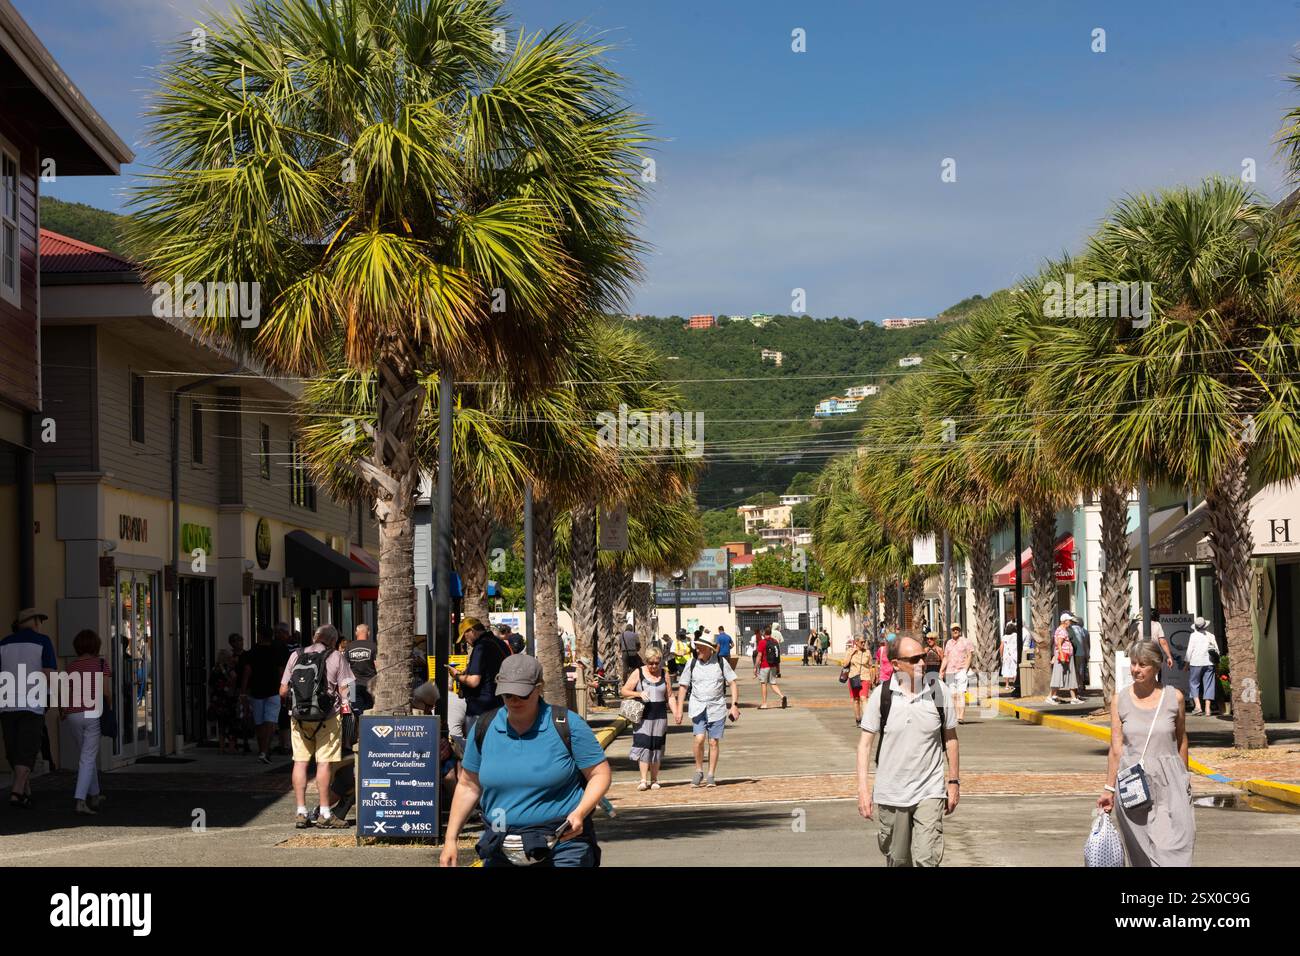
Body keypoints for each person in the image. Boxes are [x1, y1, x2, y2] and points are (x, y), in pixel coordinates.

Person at [440, 655, 611, 867]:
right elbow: (468, 785)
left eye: (522, 694)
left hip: (562, 843)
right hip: (501, 843)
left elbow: (599, 774)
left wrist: (580, 812)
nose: (514, 700)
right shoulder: (485, 726)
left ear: (539, 688)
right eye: (508, 694)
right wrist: (451, 839)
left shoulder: (567, 724)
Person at [856, 636, 960, 867]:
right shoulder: (882, 696)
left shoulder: (939, 691)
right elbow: (864, 745)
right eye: (914, 659)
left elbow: (951, 739)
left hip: (930, 790)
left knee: (926, 858)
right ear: (896, 664)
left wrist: (953, 782)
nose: (922, 663)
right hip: (891, 793)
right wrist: (863, 790)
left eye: (923, 657)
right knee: (899, 860)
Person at [1099, 640, 1194, 866]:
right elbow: (1116, 747)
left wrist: (1184, 776)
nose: (1136, 669)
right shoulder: (1120, 700)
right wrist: (1109, 789)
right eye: (1133, 663)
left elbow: (1181, 739)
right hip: (1133, 784)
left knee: (1175, 846)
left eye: (1142, 665)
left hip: (1170, 781)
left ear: (1156, 667)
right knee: (1141, 853)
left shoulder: (1174, 698)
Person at [280, 624, 354, 829]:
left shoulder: (296, 655)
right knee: (323, 764)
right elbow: (347, 690)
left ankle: (301, 812)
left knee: (300, 762)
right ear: (333, 640)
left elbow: (283, 690)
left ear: (315, 637)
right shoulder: (336, 657)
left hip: (299, 719)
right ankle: (325, 813)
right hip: (327, 718)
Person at [1, 609, 57, 809]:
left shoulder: (3, 643)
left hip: (7, 704)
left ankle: (25, 790)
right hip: (32, 703)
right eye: (40, 620)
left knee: (13, 749)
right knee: (27, 748)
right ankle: (17, 792)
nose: (40, 624)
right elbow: (49, 673)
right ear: (34, 621)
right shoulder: (43, 641)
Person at [675, 634, 739, 787]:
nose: (697, 650)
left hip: (717, 707)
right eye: (697, 647)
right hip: (698, 707)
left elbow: (732, 683)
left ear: (709, 649)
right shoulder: (691, 663)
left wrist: (734, 705)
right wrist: (679, 709)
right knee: (699, 739)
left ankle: (711, 774)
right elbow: (683, 686)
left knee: (713, 742)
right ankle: (698, 771)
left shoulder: (720, 662)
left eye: (701, 648)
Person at [62, 629, 111, 816]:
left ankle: (95, 794)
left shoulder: (71, 667)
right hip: (92, 713)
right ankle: (80, 801)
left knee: (85, 756)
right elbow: (106, 692)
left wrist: (63, 711)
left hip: (73, 714)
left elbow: (65, 692)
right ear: (96, 645)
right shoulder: (101, 664)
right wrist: (109, 708)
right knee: (88, 758)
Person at [621, 647, 677, 790]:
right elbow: (624, 690)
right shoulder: (638, 672)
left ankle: (654, 779)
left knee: (656, 747)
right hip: (643, 716)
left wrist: (676, 712)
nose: (653, 666)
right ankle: (643, 780)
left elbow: (670, 696)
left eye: (656, 663)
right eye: (650, 663)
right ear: (646, 661)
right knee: (644, 745)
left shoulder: (664, 674)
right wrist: (638, 694)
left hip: (659, 716)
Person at [449, 617, 506, 726]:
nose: (466, 642)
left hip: (480, 709)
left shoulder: (480, 647)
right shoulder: (500, 643)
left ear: (471, 631)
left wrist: (455, 675)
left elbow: (473, 681)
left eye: (465, 637)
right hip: (501, 705)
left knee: (476, 737)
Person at [242, 627, 287, 764]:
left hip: (257, 690)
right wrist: (284, 686)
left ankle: (262, 750)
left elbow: (247, 670)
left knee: (259, 722)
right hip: (273, 689)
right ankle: (265, 751)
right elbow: (281, 671)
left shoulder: (252, 652)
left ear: (260, 636)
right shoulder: (276, 651)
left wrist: (243, 690)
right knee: (270, 721)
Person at [939, 624, 973, 723]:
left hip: (961, 670)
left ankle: (960, 717)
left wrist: (965, 669)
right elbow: (946, 657)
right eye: (953, 629)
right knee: (953, 695)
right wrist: (941, 670)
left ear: (960, 630)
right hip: (950, 671)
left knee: (960, 693)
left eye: (957, 629)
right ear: (951, 631)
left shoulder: (966, 641)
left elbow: (970, 656)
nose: (955, 631)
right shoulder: (948, 643)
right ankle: (955, 716)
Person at [208, 648, 240, 753]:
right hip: (229, 699)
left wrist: (212, 698)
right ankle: (231, 747)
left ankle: (221, 747)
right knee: (231, 723)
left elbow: (210, 685)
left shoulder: (214, 669)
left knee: (221, 724)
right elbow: (234, 678)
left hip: (218, 699)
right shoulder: (229, 669)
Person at [1184, 618, 1218, 717]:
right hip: (1209, 662)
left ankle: (1198, 707)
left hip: (1196, 663)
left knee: (1194, 683)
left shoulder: (1193, 636)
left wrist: (1186, 664)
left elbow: (1189, 651)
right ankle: (1207, 709)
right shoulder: (1211, 635)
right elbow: (1216, 650)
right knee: (1209, 684)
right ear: (1205, 626)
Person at [273, 622, 296, 755]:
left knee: (283, 714)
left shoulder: (284, 646)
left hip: (279, 684)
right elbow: (282, 668)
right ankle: (285, 743)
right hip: (281, 684)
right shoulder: (283, 647)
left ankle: (284, 743)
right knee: (284, 713)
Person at [1047, 615, 1082, 704]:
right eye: (1069, 620)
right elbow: (1059, 644)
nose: (1070, 622)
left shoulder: (1063, 630)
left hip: (1067, 655)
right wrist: (1061, 655)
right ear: (1064, 621)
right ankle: (1050, 697)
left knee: (1071, 675)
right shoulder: (1062, 631)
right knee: (1058, 675)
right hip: (1063, 656)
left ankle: (1073, 698)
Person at [842, 635, 875, 726]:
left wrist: (872, 679)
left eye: (864, 642)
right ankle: (858, 719)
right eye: (861, 642)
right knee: (856, 699)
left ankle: (867, 720)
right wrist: (851, 654)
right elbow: (845, 664)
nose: (863, 643)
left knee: (864, 698)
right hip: (853, 677)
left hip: (865, 677)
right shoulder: (850, 651)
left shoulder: (867, 652)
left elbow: (871, 666)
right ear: (856, 642)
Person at [756, 626, 786, 709]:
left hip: (764, 666)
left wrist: (755, 667)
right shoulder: (775, 641)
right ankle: (782, 696)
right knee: (773, 683)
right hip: (773, 665)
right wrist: (778, 667)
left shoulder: (762, 642)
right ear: (770, 633)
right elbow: (777, 654)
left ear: (763, 633)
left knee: (763, 684)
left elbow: (759, 655)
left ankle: (764, 704)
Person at [1067, 612, 1091, 693]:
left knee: (1077, 670)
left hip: (1076, 653)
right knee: (1082, 669)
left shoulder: (1072, 629)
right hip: (1083, 653)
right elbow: (1087, 644)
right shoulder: (1084, 631)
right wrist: (1087, 654)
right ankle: (1081, 685)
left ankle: (1077, 686)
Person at [1000, 621, 1020, 693]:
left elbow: (1001, 647)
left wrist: (1001, 656)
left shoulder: (1004, 637)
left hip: (1006, 655)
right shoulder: (1016, 636)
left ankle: (1007, 685)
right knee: (1015, 669)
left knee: (1006, 669)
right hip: (1014, 654)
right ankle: (1015, 685)